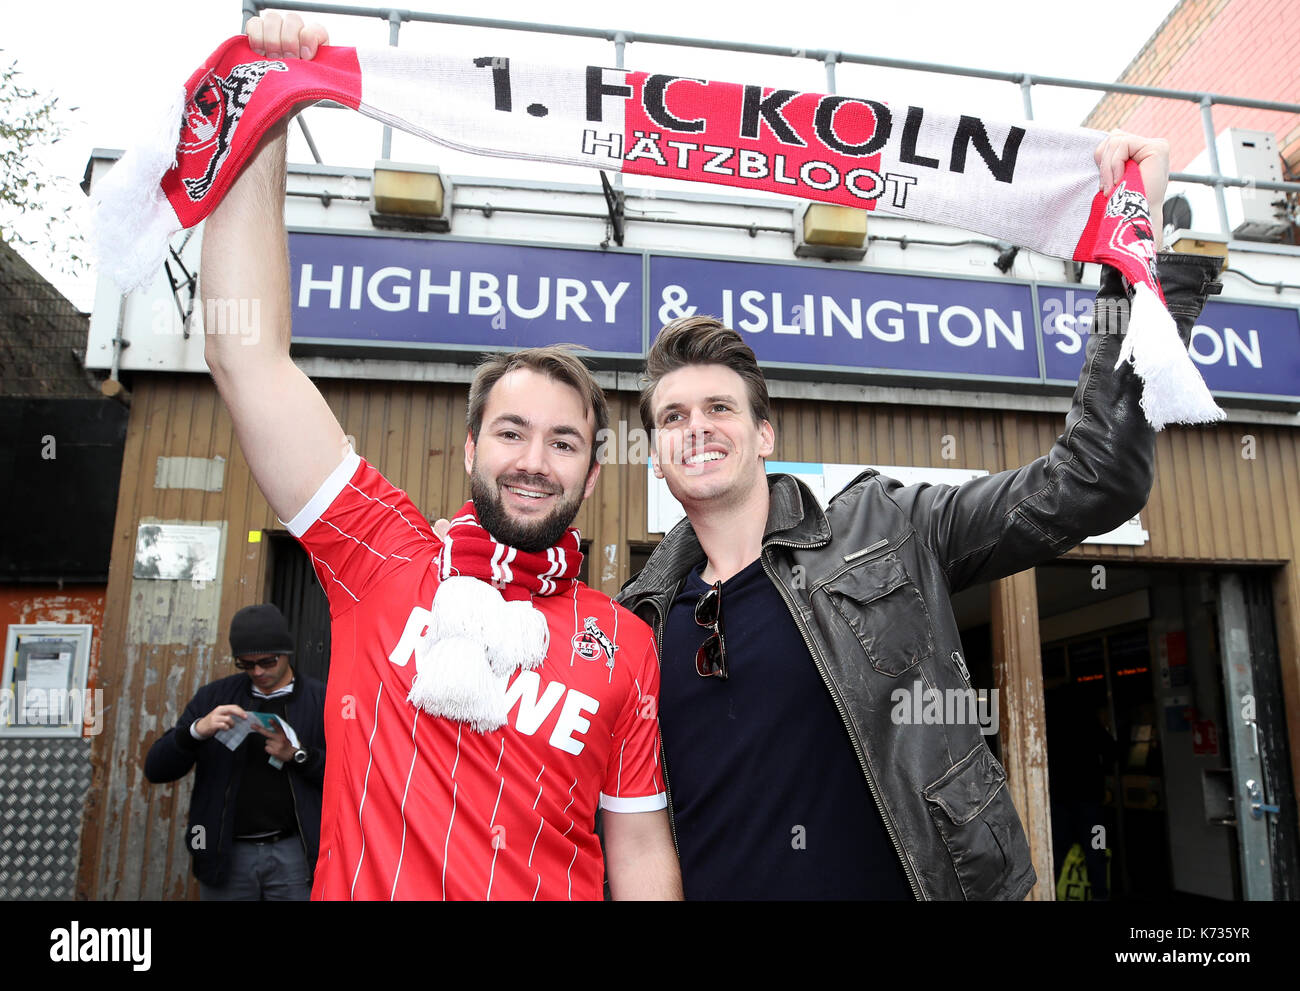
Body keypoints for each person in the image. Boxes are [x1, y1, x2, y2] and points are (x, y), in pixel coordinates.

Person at [618, 136, 1225, 898]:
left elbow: (1093, 481)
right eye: (672, 416)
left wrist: (1128, 270)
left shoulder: (888, 528)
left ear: (765, 433)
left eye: (718, 407)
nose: (697, 427)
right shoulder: (632, 626)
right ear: (654, 450)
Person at [198, 11, 680, 900]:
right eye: (511, 432)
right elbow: (247, 357)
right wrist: (264, 118)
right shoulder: (378, 551)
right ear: (470, 446)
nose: (534, 460)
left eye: (564, 441)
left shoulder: (626, 644)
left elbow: (641, 848)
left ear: (592, 471)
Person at [144, 603, 326, 900]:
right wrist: (195, 732)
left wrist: (298, 756)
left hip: (296, 852)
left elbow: (349, 777)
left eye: (267, 662)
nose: (258, 671)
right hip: (224, 853)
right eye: (246, 664)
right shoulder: (214, 697)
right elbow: (155, 769)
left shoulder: (320, 699)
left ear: (286, 652)